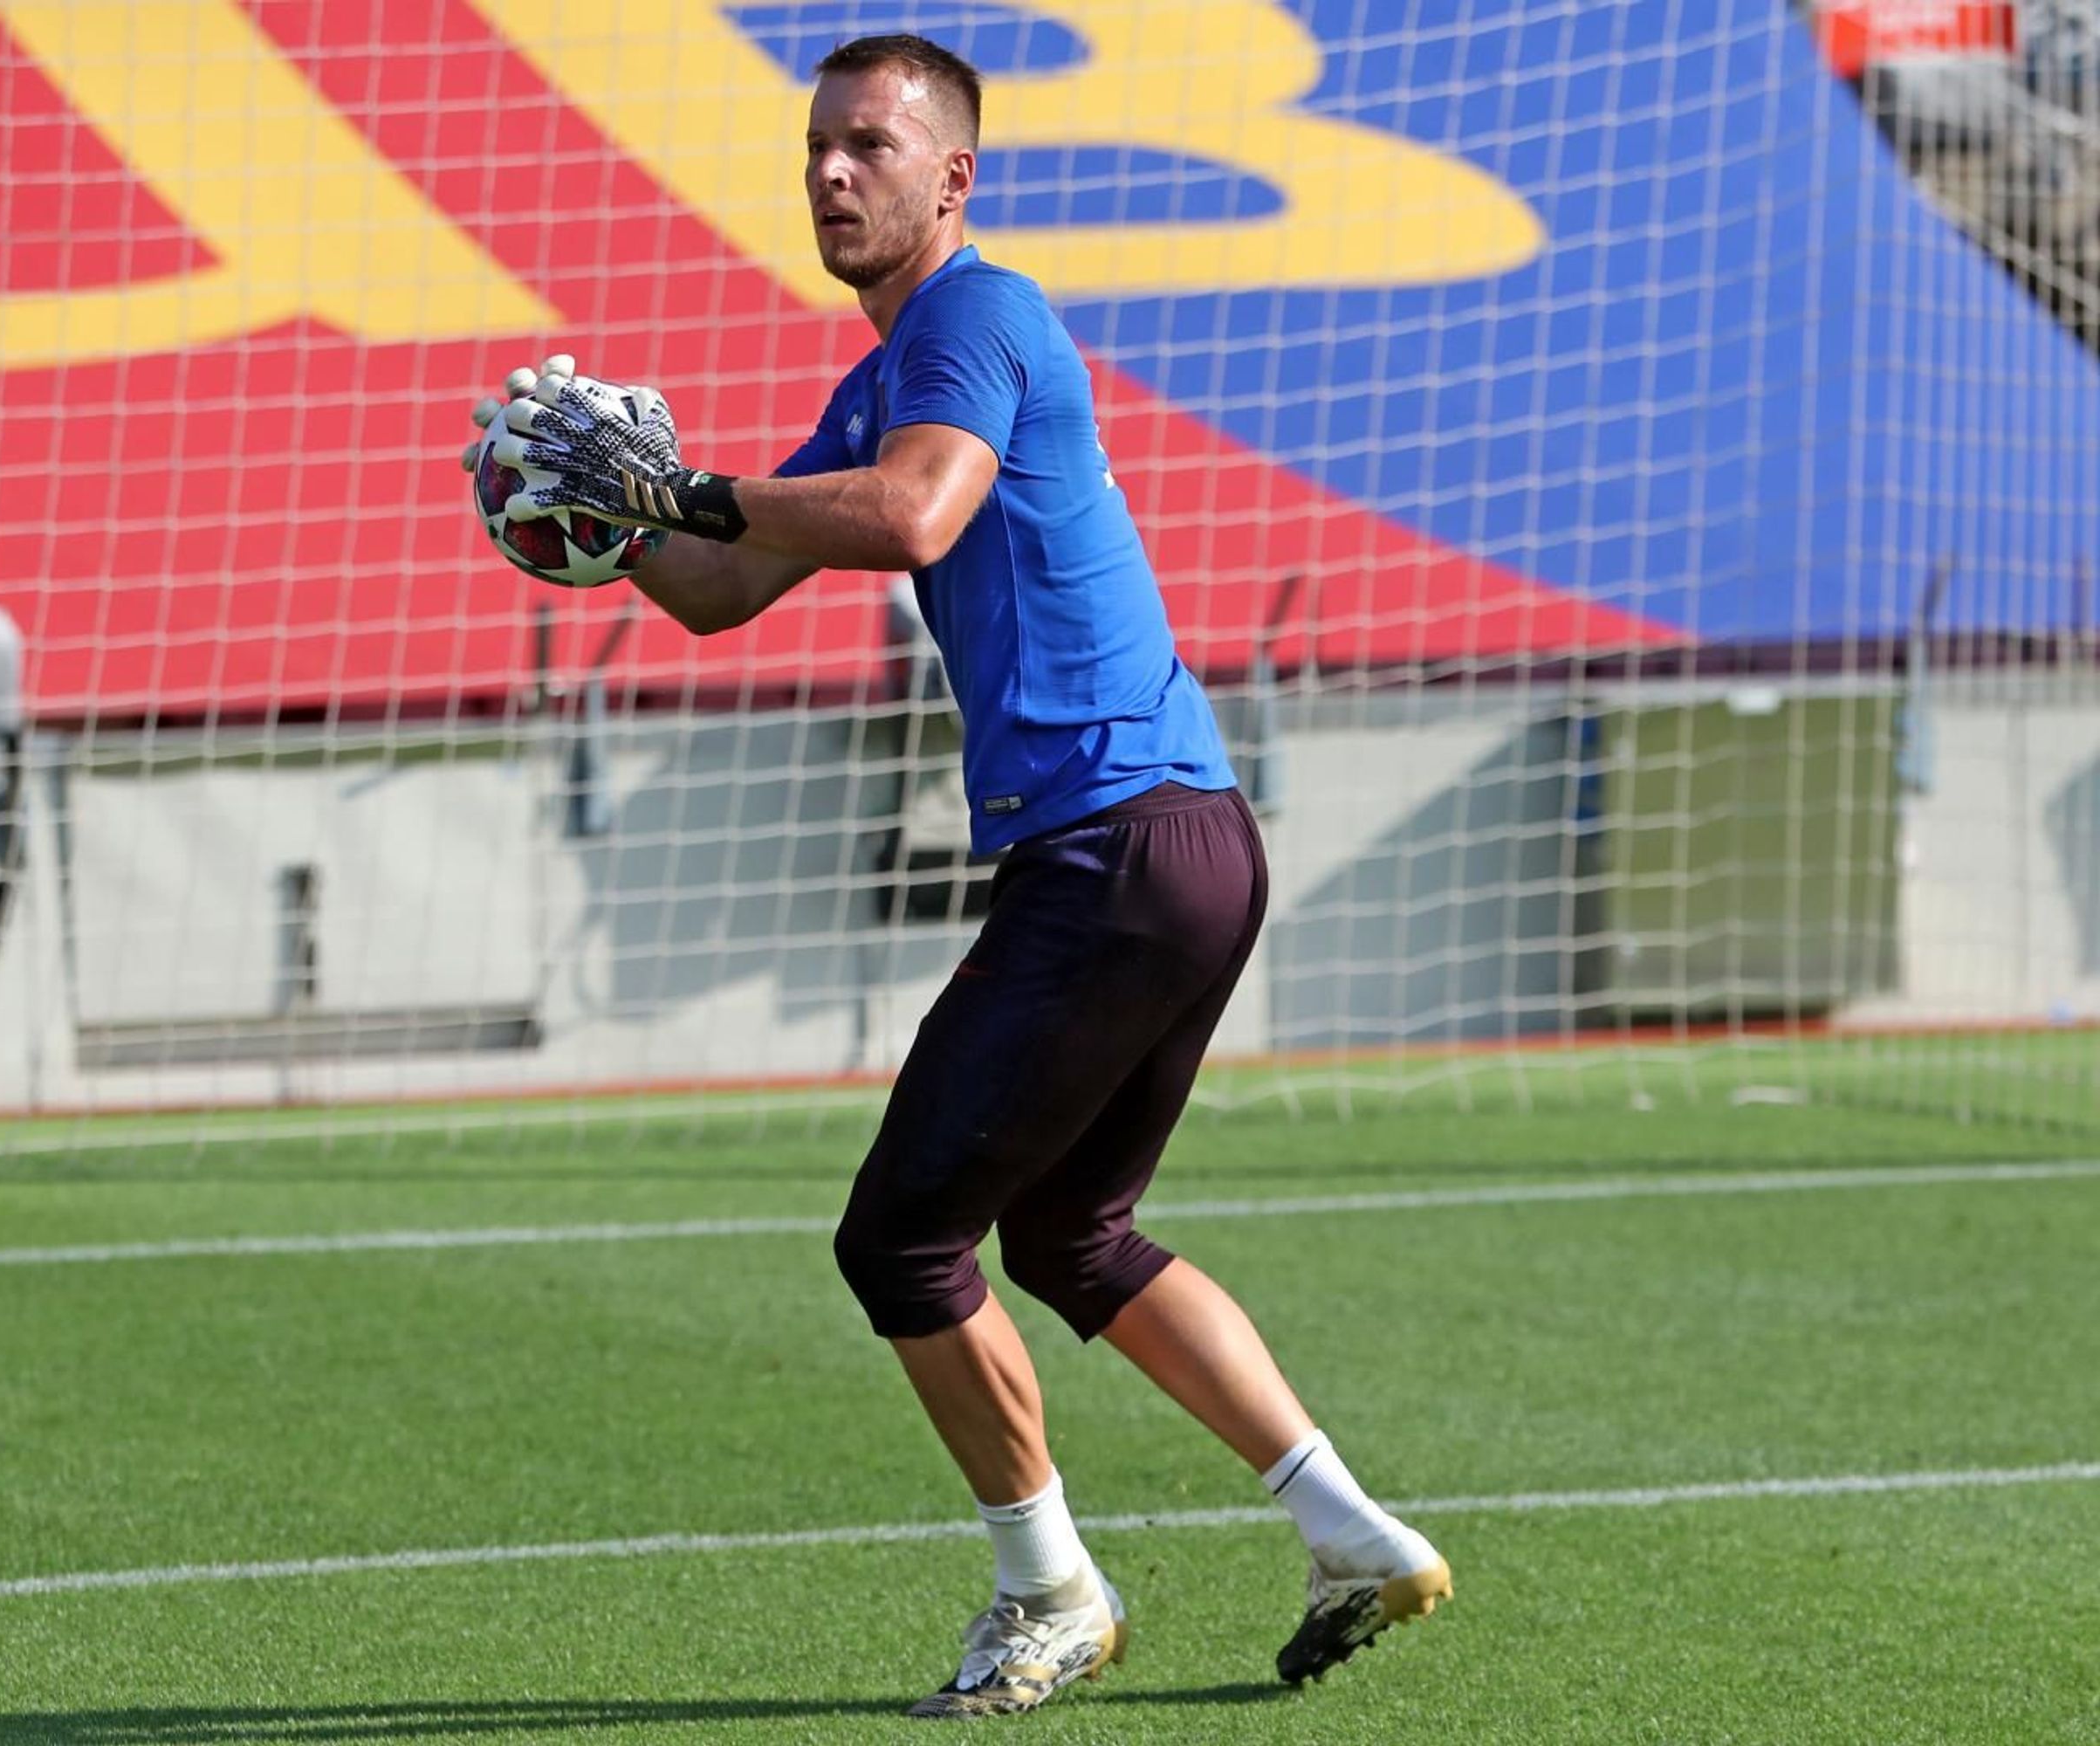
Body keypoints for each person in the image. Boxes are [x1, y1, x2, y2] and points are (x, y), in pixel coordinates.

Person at [462, 31, 1451, 1719]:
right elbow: (722, 588)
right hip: (1183, 840)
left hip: (1120, 843)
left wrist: (683, 479)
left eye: (872, 145)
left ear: (953, 177)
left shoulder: (979, 317)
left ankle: (1048, 1590)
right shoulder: (894, 365)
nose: (834, 173)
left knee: (902, 1243)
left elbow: (917, 516)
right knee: (1072, 1235)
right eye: (818, 147)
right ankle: (1352, 1531)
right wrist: (613, 523)